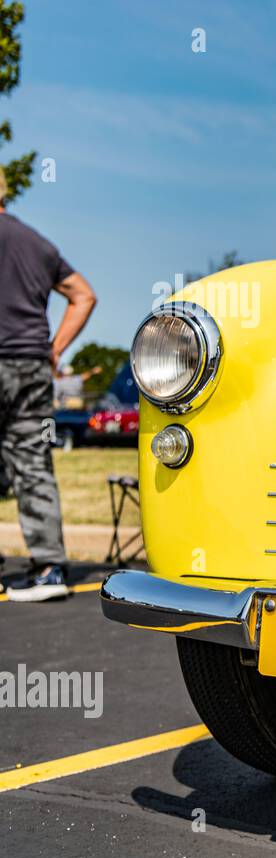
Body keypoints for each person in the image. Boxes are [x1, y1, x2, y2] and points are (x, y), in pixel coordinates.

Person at [0, 166, 98, 601]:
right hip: (31, 366)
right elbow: (84, 295)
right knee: (33, 460)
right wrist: (54, 348)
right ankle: (49, 569)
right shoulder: (37, 244)